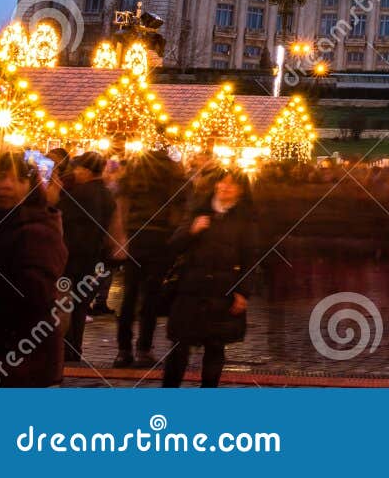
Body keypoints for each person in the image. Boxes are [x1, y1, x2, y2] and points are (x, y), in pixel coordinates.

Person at [161, 169, 260, 388]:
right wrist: (192, 231)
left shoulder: (245, 219)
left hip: (222, 291)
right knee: (179, 346)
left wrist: (242, 291)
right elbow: (174, 246)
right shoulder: (198, 211)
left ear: (241, 191)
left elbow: (250, 258)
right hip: (191, 289)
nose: (225, 187)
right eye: (222, 183)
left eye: (231, 184)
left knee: (215, 347)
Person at [0, 153, 68, 387]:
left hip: (24, 357)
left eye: (17, 179)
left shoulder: (37, 229)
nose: (6, 185)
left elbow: (35, 294)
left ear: (30, 185)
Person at [115, 146, 186, 369]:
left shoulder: (134, 170)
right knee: (151, 296)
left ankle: (123, 350)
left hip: (135, 235)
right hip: (160, 236)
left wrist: (121, 236)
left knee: (130, 295)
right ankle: (144, 349)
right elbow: (179, 208)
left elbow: (121, 205)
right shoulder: (173, 172)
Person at [57, 151, 115, 362]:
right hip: (95, 258)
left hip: (75, 257)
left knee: (66, 304)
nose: (76, 172)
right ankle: (75, 348)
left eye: (78, 168)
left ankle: (67, 348)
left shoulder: (81, 194)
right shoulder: (107, 194)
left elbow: (60, 214)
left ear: (87, 171)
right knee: (80, 306)